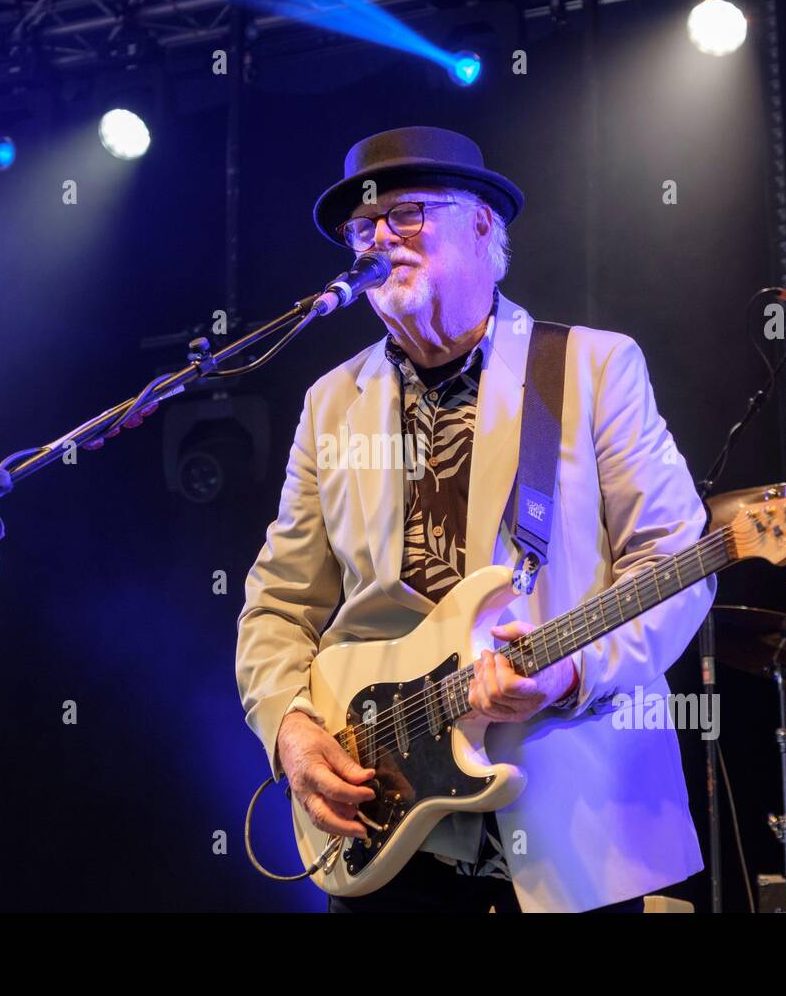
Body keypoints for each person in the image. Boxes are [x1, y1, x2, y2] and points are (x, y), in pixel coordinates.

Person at [236, 126, 714, 912]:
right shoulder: (330, 403)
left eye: (409, 214)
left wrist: (573, 672)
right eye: (363, 228)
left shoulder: (592, 368)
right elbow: (279, 606)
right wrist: (291, 730)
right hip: (383, 826)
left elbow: (673, 564)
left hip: (573, 834)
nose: (379, 238)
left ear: (485, 222)